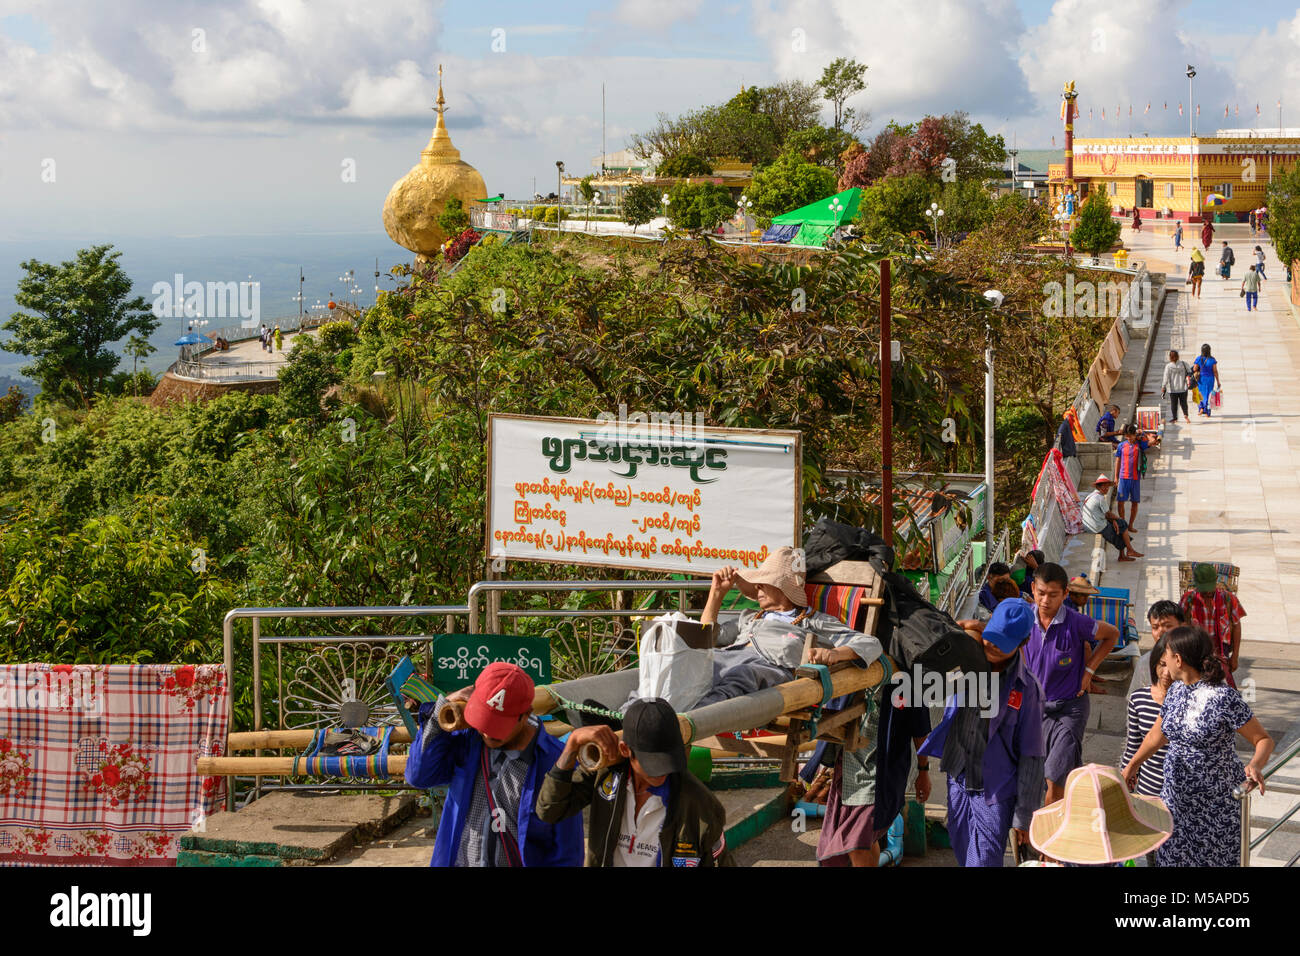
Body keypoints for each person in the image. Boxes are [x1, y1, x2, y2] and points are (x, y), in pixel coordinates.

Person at [403, 662, 584, 867]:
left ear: (526, 715)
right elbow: (419, 776)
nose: (488, 732)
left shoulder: (555, 763)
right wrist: (438, 715)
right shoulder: (467, 738)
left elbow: (567, 853)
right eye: (485, 720)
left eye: (498, 724)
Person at [1123, 626, 1274, 866]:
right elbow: (1157, 734)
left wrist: (1255, 765)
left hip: (1215, 808)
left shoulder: (1223, 697)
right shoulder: (1175, 691)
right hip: (1176, 803)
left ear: (1179, 660)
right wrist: (1132, 766)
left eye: (1167, 657)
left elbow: (1263, 739)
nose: (1164, 663)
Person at [918, 599, 1045, 867]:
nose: (993, 646)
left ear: (1022, 644)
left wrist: (1024, 815)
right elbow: (931, 649)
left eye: (1004, 643)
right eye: (992, 637)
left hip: (995, 791)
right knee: (963, 853)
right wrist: (968, 627)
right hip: (958, 778)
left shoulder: (1027, 689)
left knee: (983, 861)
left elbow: (1032, 756)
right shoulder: (964, 662)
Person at [536, 697, 728, 867]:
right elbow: (549, 810)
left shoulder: (701, 806)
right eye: (652, 763)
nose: (662, 771)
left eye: (669, 760)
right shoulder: (604, 775)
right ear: (625, 750)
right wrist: (572, 745)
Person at [687, 546, 882, 708]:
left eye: (763, 582)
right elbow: (703, 640)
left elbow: (869, 643)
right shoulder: (749, 618)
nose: (757, 587)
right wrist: (716, 594)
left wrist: (835, 654)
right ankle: (671, 714)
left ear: (783, 586)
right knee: (691, 661)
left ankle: (687, 721)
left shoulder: (812, 621)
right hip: (726, 659)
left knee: (742, 676)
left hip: (770, 668)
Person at [810, 678, 932, 867]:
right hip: (849, 773)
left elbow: (920, 730)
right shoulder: (848, 675)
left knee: (857, 843)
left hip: (881, 778)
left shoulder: (905, 681)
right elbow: (828, 713)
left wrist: (923, 772)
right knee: (865, 840)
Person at [1025, 562, 1120, 805]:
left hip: (1070, 708)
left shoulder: (1077, 622)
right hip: (1034, 711)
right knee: (1033, 775)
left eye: (1054, 595)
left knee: (1055, 777)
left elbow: (1112, 635)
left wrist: (1089, 670)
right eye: (1041, 593)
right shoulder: (1022, 619)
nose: (1046, 600)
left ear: (1065, 593)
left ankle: (1051, 838)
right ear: (1033, 588)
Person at [1179, 563, 1246, 690]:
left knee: (1226, 688)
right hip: (1196, 652)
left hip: (1221, 653)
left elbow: (1236, 626)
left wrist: (1235, 656)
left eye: (1210, 588)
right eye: (1204, 590)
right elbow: (1179, 627)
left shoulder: (1229, 599)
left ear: (1216, 582)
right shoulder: (1188, 599)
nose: (1208, 593)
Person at [1121, 635, 1172, 800]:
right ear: (1154, 663)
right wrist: (1125, 776)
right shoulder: (1138, 699)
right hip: (1148, 791)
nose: (1166, 673)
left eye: (1171, 666)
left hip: (1182, 794)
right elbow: (1133, 746)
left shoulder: (1189, 702)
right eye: (1162, 665)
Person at [1128, 600, 1186, 699]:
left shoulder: (1194, 659)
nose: (1161, 632)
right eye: (1155, 627)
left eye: (1168, 626)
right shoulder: (1144, 662)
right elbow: (1134, 699)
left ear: (1183, 626)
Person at [1080, 474, 1143, 561]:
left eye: (1107, 487)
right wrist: (1117, 519)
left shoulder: (1090, 495)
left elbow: (1105, 514)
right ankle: (1129, 550)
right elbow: (1108, 514)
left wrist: (1114, 521)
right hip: (1097, 526)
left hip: (1090, 525)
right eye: (1104, 487)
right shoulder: (1100, 498)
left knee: (1120, 525)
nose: (1106, 489)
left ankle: (1125, 553)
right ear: (1099, 487)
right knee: (1122, 525)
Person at [1112, 424, 1157, 531]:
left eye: (1130, 436)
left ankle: (1131, 525)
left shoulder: (1140, 444)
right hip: (1123, 477)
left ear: (1134, 434)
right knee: (1120, 502)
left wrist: (1142, 433)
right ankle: (1123, 524)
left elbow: (1152, 441)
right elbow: (1118, 461)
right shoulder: (1121, 446)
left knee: (1135, 502)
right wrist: (1116, 477)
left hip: (1135, 478)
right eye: (1126, 436)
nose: (1128, 438)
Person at [1161, 349, 1192, 424]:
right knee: (1184, 403)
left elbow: (1166, 378)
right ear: (1178, 356)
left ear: (1170, 357)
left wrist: (1163, 386)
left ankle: (1175, 418)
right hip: (1183, 388)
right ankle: (1186, 415)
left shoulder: (1168, 366)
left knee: (1174, 404)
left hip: (1172, 389)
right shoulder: (1184, 364)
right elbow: (1190, 372)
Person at [1192, 343, 1221, 418]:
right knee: (1208, 395)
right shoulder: (1212, 360)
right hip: (1210, 379)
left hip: (1201, 378)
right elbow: (1215, 371)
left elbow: (1194, 369)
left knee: (1200, 393)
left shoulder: (1199, 358)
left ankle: (1201, 408)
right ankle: (1207, 412)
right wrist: (1218, 381)